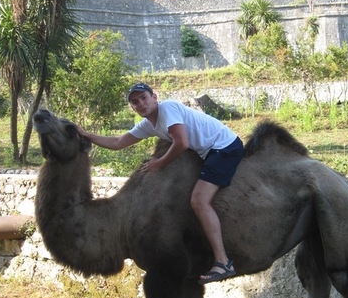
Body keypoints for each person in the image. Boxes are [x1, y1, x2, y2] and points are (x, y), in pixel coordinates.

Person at [77, 82, 244, 284]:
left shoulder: (168, 108)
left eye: (144, 98)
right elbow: (118, 142)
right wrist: (86, 135)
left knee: (199, 201)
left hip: (224, 148)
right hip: (208, 152)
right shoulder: (149, 124)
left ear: (154, 97)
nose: (141, 103)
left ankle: (223, 262)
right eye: (135, 102)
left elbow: (181, 143)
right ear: (132, 108)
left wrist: (159, 163)